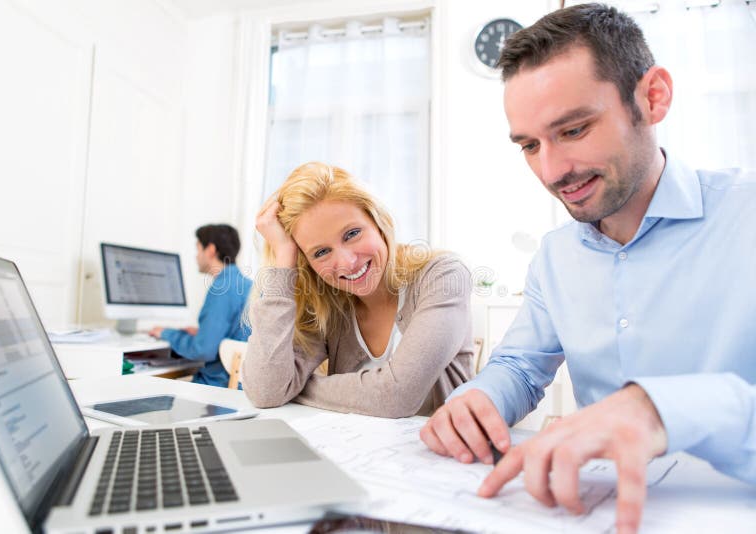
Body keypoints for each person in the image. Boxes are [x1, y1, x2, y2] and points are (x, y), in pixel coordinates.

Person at [419, 4, 756, 533]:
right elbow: (520, 367)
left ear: (653, 97)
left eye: (573, 130)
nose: (551, 171)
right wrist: (477, 400)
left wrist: (664, 410)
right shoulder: (555, 257)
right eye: (530, 145)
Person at [243, 162, 474, 417]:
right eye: (321, 252)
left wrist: (295, 388)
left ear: (378, 221)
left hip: (441, 455)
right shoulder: (327, 299)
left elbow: (396, 396)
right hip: (353, 453)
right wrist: (283, 258)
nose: (346, 262)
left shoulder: (443, 274)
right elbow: (266, 391)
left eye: (352, 233)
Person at [148, 224, 252, 387]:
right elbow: (237, 334)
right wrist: (204, 333)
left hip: (218, 388)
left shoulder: (222, 289)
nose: (197, 257)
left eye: (198, 250)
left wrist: (166, 333)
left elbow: (203, 350)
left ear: (210, 250)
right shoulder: (247, 285)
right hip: (244, 386)